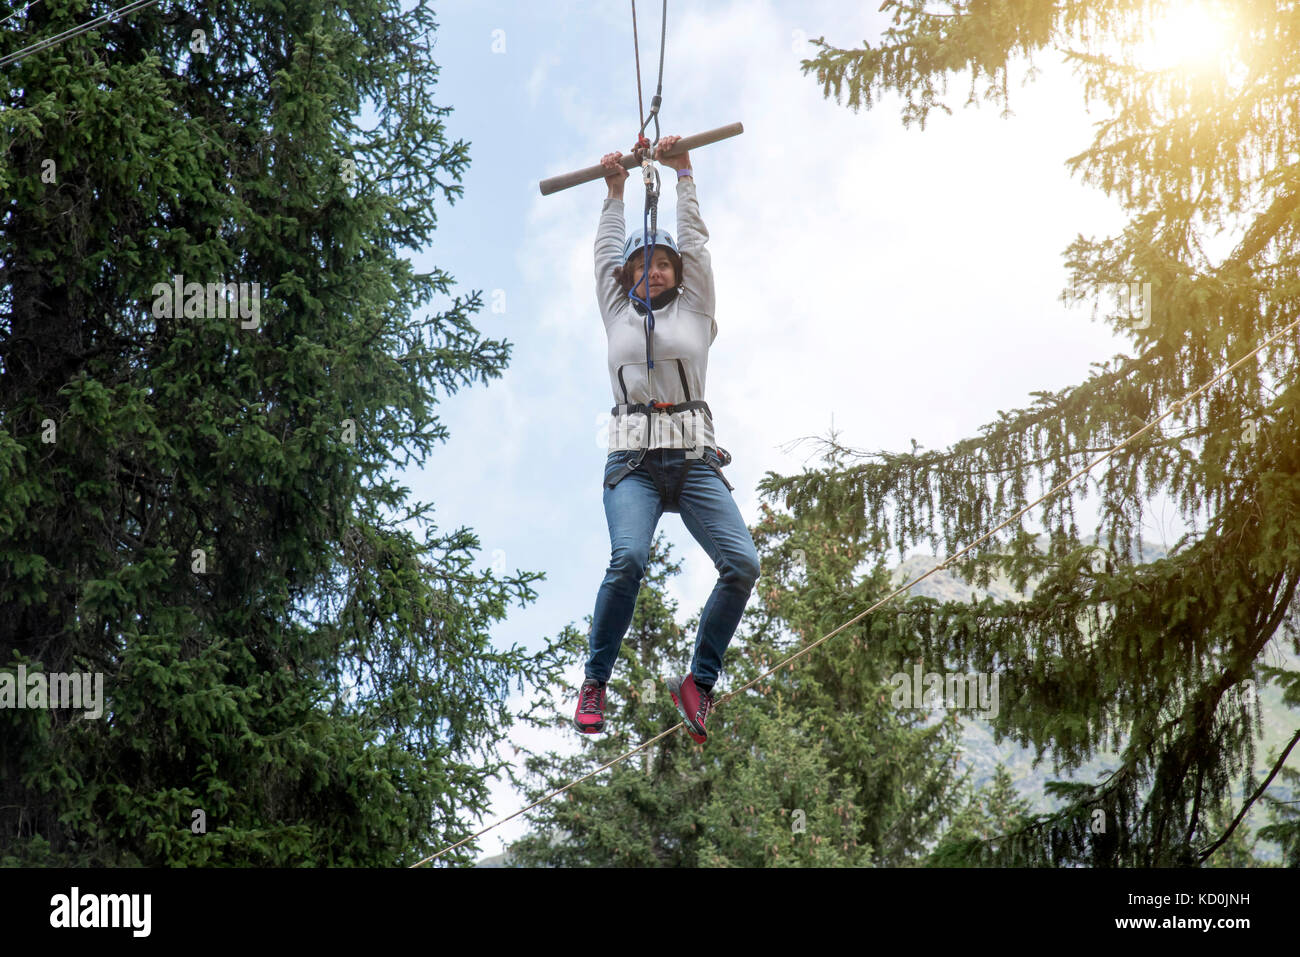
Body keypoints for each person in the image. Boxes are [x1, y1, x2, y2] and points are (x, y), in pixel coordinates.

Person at [573, 134, 761, 744]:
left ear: (677, 276)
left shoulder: (696, 310)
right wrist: (615, 191)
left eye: (663, 265)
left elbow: (698, 248)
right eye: (641, 265)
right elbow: (604, 254)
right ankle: (595, 681)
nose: (652, 272)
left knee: (742, 563)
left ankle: (699, 683)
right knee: (627, 559)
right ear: (628, 275)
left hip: (693, 457)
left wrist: (683, 175)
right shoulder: (617, 313)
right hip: (632, 463)